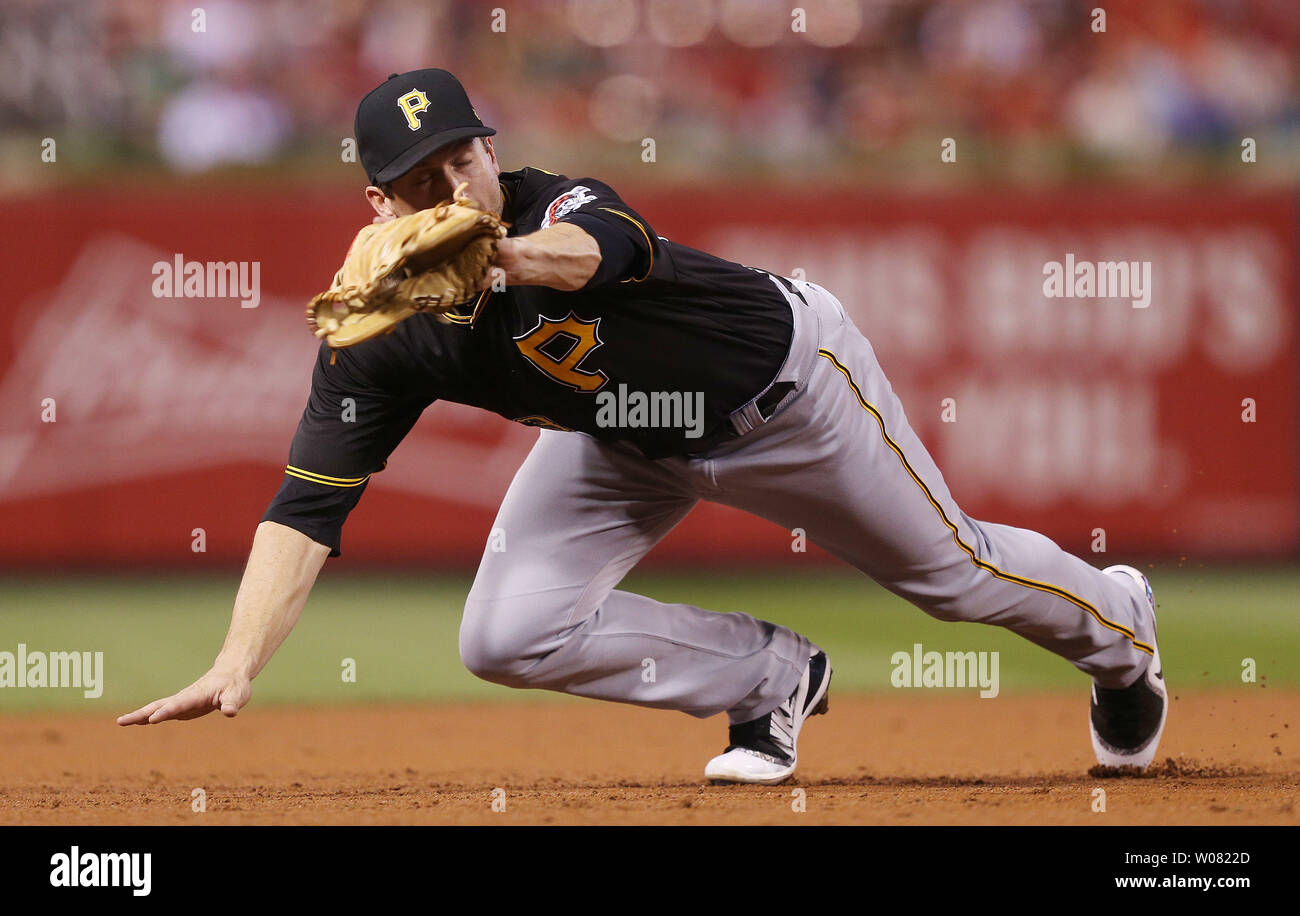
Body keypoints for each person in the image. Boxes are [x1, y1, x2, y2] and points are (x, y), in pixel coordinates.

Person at [118, 69, 1167, 783]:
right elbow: (306, 507)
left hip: (789, 396)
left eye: (460, 160)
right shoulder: (379, 334)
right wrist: (237, 656)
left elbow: (598, 254)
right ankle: (770, 680)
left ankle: (1120, 636)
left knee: (954, 578)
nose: (452, 187)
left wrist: (495, 255)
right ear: (375, 206)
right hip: (620, 437)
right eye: (418, 181)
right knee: (503, 633)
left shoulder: (555, 205)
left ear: (490, 148)